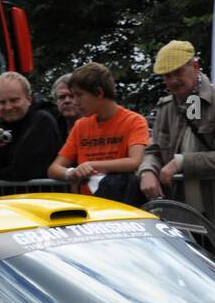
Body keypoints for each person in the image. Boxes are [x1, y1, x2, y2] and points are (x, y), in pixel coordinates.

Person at [139, 40, 215, 247]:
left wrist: (180, 163)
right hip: (179, 218)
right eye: (167, 76)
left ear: (195, 67)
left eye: (178, 72)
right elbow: (153, 151)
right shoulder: (166, 106)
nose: (172, 81)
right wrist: (147, 171)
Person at [48, 63, 149, 205]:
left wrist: (91, 165)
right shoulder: (81, 125)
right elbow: (54, 169)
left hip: (124, 206)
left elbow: (134, 161)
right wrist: (72, 172)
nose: (75, 102)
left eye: (79, 95)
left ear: (99, 92)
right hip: (89, 206)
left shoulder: (134, 121)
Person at [0, 72, 61, 185]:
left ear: (28, 100)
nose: (8, 107)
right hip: (4, 200)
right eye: (2, 102)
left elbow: (23, 171)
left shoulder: (42, 121)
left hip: (39, 199)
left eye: (14, 100)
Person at [52, 73, 79, 143]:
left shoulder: (98, 124)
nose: (67, 101)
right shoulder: (50, 129)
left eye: (72, 96)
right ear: (56, 102)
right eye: (62, 97)